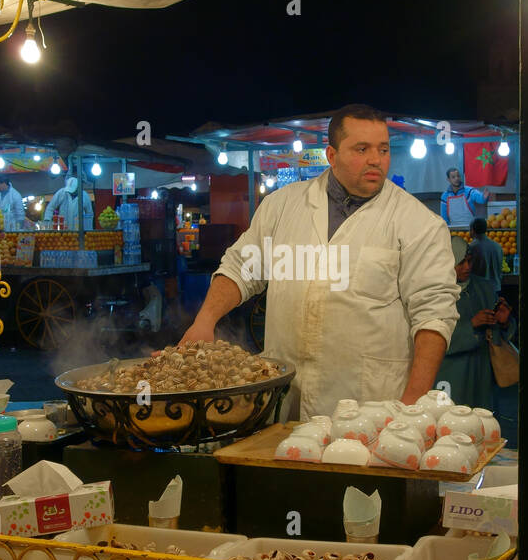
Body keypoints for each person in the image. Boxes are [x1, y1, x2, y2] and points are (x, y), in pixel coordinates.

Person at [184, 104, 459, 419]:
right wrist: (204, 321)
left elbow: (434, 315)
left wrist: (413, 402)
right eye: (362, 149)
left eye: (383, 149)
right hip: (282, 400)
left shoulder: (418, 223)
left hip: (369, 408)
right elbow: (241, 267)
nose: (376, 159)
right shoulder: (282, 206)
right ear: (331, 155)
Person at [436, 235, 510, 410]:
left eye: (469, 261)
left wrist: (503, 322)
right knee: (451, 422)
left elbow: (500, 336)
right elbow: (431, 338)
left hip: (482, 372)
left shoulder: (484, 287)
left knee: (482, 419)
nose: (468, 267)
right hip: (451, 374)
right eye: (460, 263)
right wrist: (471, 325)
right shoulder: (434, 292)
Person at [467, 217, 504, 290]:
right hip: (495, 288)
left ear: (473, 230)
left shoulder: (471, 248)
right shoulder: (497, 246)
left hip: (480, 290)